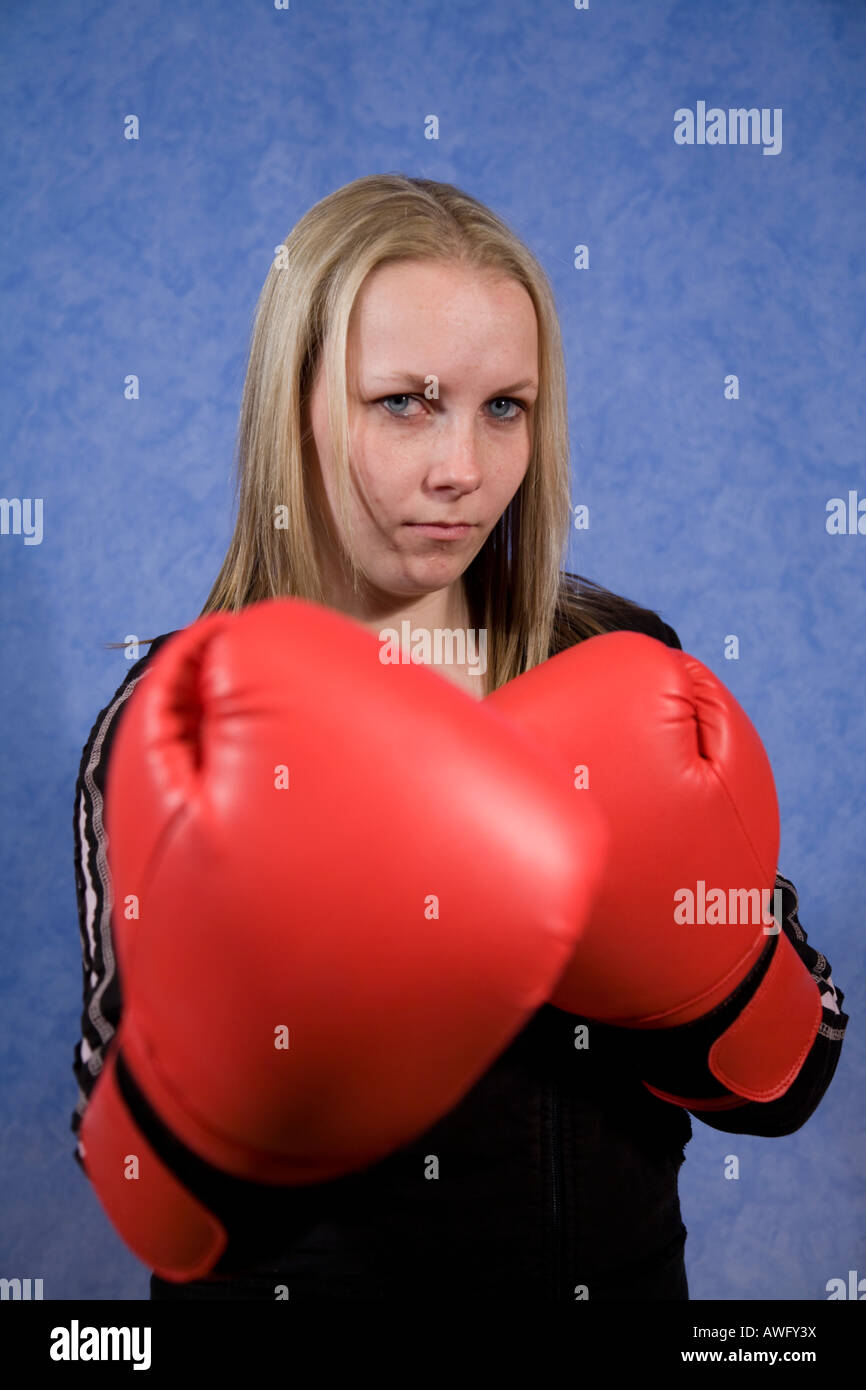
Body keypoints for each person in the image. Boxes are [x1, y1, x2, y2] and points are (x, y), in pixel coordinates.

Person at [71, 173, 848, 1301]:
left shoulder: (620, 660)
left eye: (503, 408)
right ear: (298, 405)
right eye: (404, 402)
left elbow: (792, 1073)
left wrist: (707, 980)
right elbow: (131, 1177)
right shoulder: (177, 719)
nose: (461, 472)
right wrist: (257, 1050)